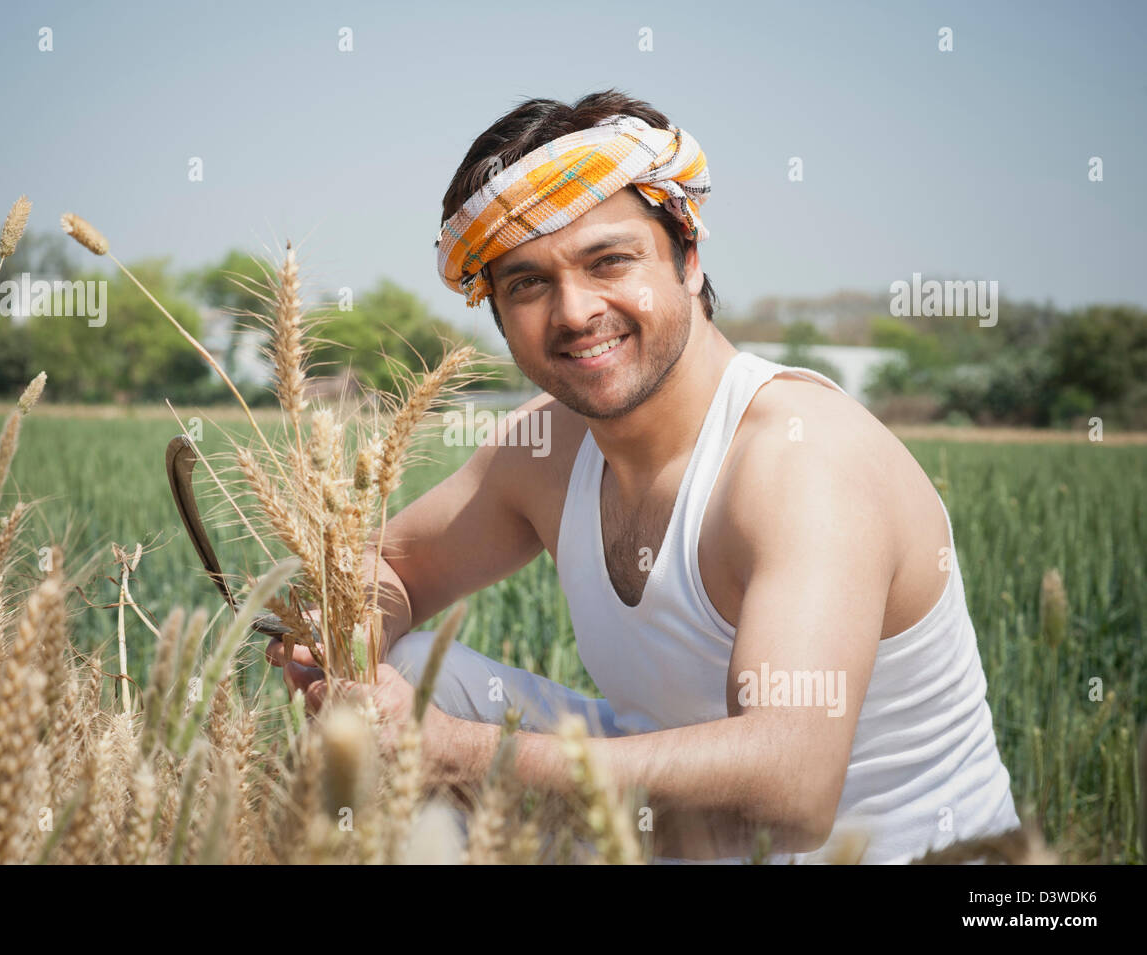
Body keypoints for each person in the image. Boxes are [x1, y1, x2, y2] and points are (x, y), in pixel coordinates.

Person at [268, 89, 1021, 864]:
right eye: (527, 283)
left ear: (689, 258)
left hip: (885, 856)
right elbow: (388, 568)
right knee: (412, 671)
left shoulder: (801, 460)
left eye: (609, 261)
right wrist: (349, 647)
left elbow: (791, 792)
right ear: (497, 311)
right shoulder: (546, 449)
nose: (574, 310)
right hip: (683, 836)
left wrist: (455, 752)